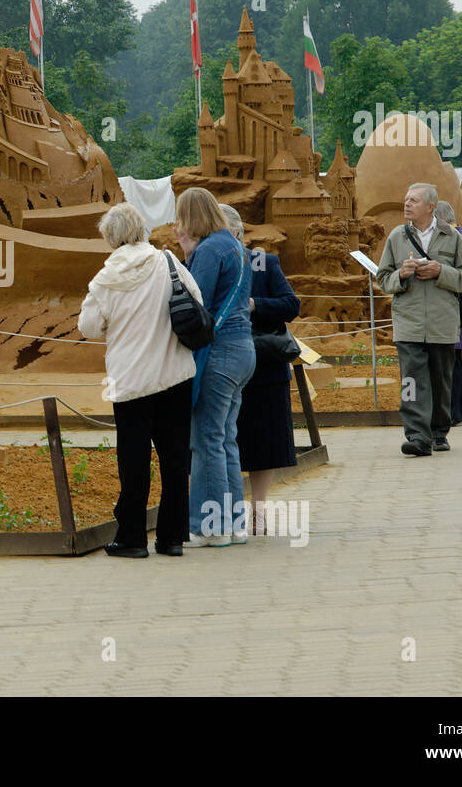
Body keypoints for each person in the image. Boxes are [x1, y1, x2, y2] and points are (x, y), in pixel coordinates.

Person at [79, 203, 202, 558]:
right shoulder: (168, 262)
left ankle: (132, 538)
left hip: (130, 380)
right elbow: (197, 299)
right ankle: (172, 537)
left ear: (110, 238)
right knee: (175, 458)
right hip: (175, 374)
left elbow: (87, 327)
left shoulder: (105, 279)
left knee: (133, 461)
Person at [174, 188, 255, 546]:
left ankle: (211, 527)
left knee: (206, 440)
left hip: (219, 351)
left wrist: (186, 261)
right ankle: (234, 523)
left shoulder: (208, 250)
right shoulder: (236, 246)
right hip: (243, 348)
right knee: (225, 439)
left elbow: (196, 302)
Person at [375, 183, 462, 456]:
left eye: (414, 200)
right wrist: (401, 274)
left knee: (440, 380)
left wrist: (440, 271)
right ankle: (417, 436)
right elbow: (383, 279)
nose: (407, 204)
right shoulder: (397, 237)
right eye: (406, 199)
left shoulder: (452, 237)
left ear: (430, 206)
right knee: (411, 381)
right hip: (408, 323)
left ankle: (438, 432)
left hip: (442, 322)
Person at [223, 206, 301, 536]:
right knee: (229, 440)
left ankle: (259, 507)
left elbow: (290, 304)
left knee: (264, 442)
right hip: (226, 368)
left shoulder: (261, 262)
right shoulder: (207, 263)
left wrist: (255, 305)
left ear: (239, 235)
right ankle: (230, 509)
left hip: (265, 366)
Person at [436, 201, 462, 426]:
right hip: (458, 308)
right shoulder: (457, 235)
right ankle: (457, 411)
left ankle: (455, 412)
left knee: (453, 362)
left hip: (457, 307)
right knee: (455, 362)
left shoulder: (456, 238)